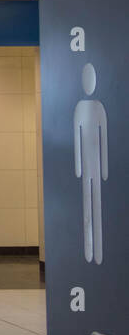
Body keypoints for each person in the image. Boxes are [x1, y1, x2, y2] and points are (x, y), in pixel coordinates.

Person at [74, 63, 109, 265]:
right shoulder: (80, 107)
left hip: (94, 164)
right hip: (88, 166)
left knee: (96, 205)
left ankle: (98, 252)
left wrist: (104, 168)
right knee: (88, 207)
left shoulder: (98, 108)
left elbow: (103, 138)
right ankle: (89, 250)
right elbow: (77, 138)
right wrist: (78, 167)